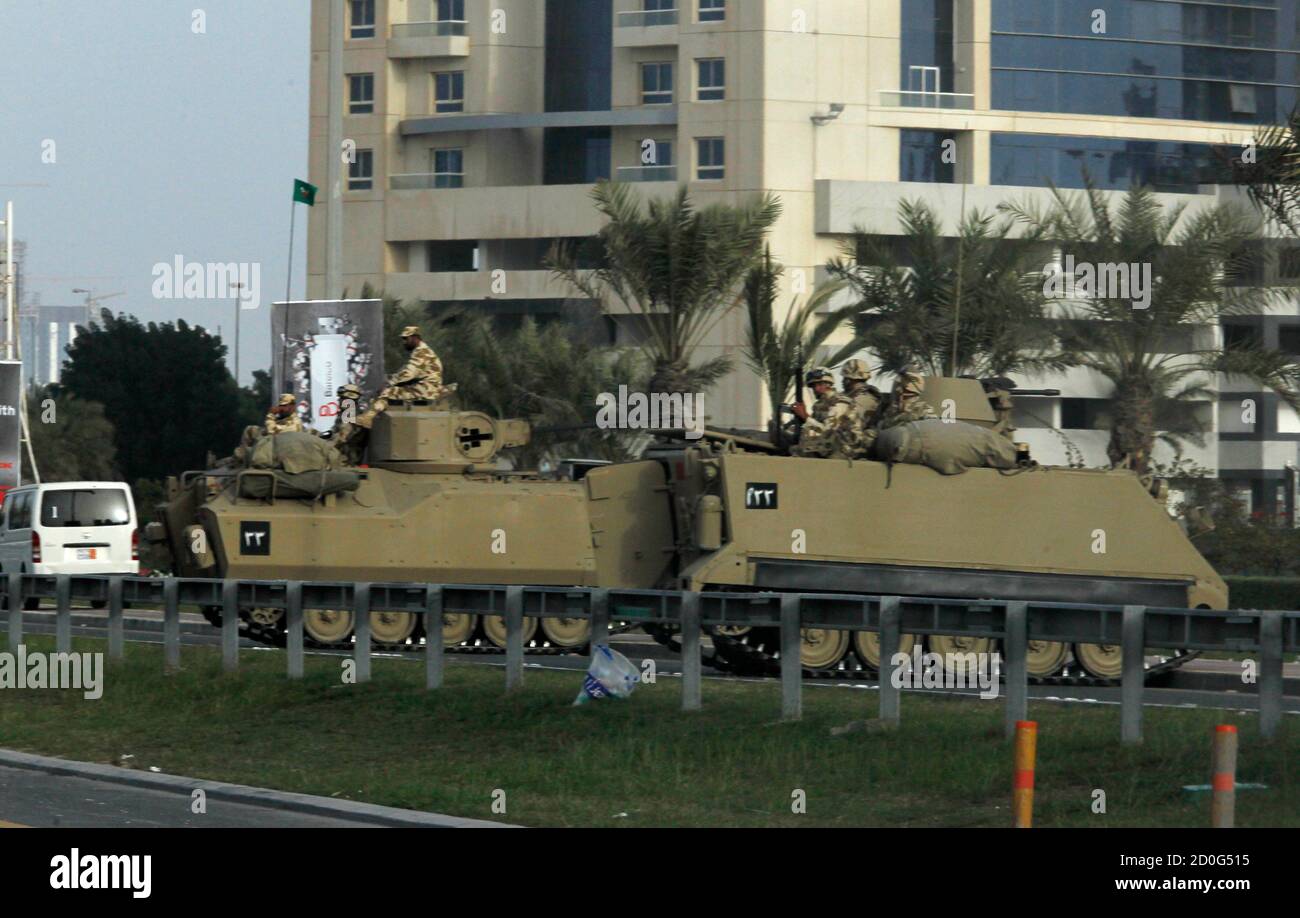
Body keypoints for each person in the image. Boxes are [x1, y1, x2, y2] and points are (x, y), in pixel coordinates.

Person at [356, 326, 449, 429]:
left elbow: (408, 373)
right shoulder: (423, 351)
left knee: (387, 392)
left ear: (415, 338)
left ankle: (367, 419)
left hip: (425, 390)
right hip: (427, 388)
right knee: (392, 391)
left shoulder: (421, 352)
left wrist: (389, 383)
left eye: (406, 339)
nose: (404, 342)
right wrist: (390, 377)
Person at [790, 367, 855, 458]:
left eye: (819, 384)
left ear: (828, 384)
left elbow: (829, 431)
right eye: (813, 386)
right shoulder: (820, 405)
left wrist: (805, 416)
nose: (815, 389)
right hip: (824, 449)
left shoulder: (840, 402)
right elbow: (812, 430)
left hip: (840, 453)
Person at [836, 359, 883, 458]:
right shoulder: (853, 395)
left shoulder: (865, 398)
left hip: (859, 444)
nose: (842, 381)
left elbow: (848, 421)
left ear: (850, 379)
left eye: (845, 378)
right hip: (851, 438)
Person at [329, 383, 368, 466]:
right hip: (341, 457)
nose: (339, 401)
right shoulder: (344, 416)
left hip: (348, 462)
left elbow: (340, 439)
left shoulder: (353, 417)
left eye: (342, 398)